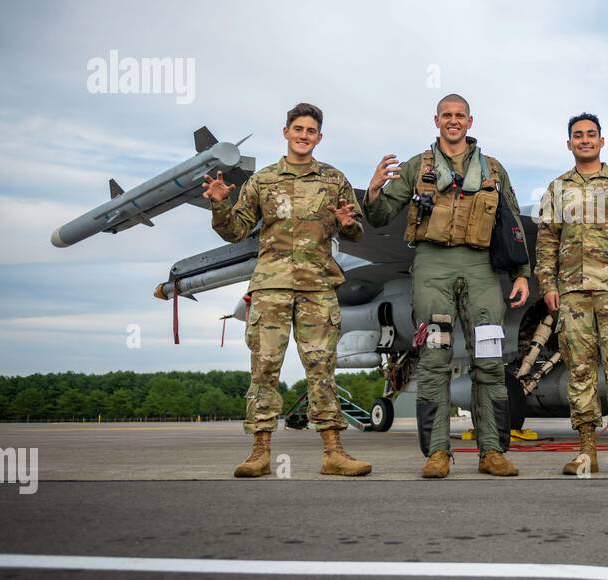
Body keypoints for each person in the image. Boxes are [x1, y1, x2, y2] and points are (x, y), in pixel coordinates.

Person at [203, 102, 371, 479]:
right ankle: (259, 453)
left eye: (311, 131)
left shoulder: (334, 180)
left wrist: (347, 224)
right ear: (286, 132)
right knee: (263, 369)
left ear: (319, 137)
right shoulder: (262, 180)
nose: (303, 135)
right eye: (298, 128)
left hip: (318, 288)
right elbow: (235, 230)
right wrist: (219, 205)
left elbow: (355, 231)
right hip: (271, 286)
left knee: (322, 369)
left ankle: (334, 453)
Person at [365, 93, 529, 478]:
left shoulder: (492, 169)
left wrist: (522, 271)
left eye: (460, 116)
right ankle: (437, 453)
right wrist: (373, 190)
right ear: (436, 120)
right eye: (446, 115)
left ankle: (492, 452)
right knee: (435, 359)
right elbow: (380, 215)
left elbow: (512, 222)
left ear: (470, 122)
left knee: (490, 359)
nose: (453, 121)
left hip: (481, 270)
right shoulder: (416, 168)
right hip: (432, 268)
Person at [535, 112, 608, 475]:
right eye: (577, 135)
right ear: (569, 143)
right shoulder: (558, 189)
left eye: (591, 135)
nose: (584, 140)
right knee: (580, 372)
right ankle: (587, 451)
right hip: (572, 293)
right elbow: (546, 243)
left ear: (602, 141)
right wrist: (548, 286)